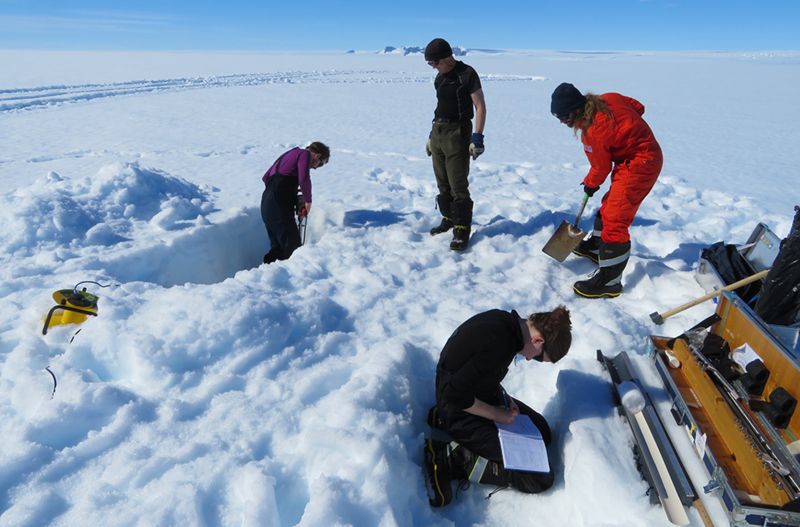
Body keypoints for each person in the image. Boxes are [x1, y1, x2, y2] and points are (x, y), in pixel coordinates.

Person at [428, 306, 572, 501]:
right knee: (539, 478)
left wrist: (503, 398)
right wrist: (497, 414)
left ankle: (445, 419)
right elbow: (456, 394)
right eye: (538, 358)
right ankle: (452, 458)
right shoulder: (500, 344)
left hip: (473, 393)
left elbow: (479, 371)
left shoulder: (507, 325)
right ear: (538, 340)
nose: (529, 359)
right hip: (457, 405)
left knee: (542, 433)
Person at [551, 82, 663, 298]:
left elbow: (601, 167)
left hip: (641, 162)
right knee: (609, 204)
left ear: (575, 110)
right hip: (632, 158)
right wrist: (627, 131)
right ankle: (597, 247)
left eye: (564, 117)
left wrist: (590, 184)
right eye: (558, 118)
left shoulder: (593, 132)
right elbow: (638, 107)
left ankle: (609, 281)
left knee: (615, 218)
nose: (562, 122)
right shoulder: (609, 97)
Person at [424, 37, 487, 251]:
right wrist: (431, 136)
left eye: (434, 63)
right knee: (442, 182)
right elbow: (440, 107)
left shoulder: (466, 74)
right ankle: (449, 217)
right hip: (438, 131)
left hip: (458, 133)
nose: (433, 67)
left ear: (447, 58)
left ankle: (462, 227)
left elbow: (480, 106)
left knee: (457, 183)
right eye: (430, 64)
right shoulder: (439, 79)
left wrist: (477, 137)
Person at [260, 142, 329, 263]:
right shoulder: (304, 154)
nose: (315, 168)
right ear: (318, 156)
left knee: (278, 247)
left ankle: (267, 274)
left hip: (266, 204)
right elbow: (304, 178)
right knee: (293, 246)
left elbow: (266, 177)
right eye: (320, 164)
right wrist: (308, 201)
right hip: (278, 205)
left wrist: (290, 193)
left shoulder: (290, 153)